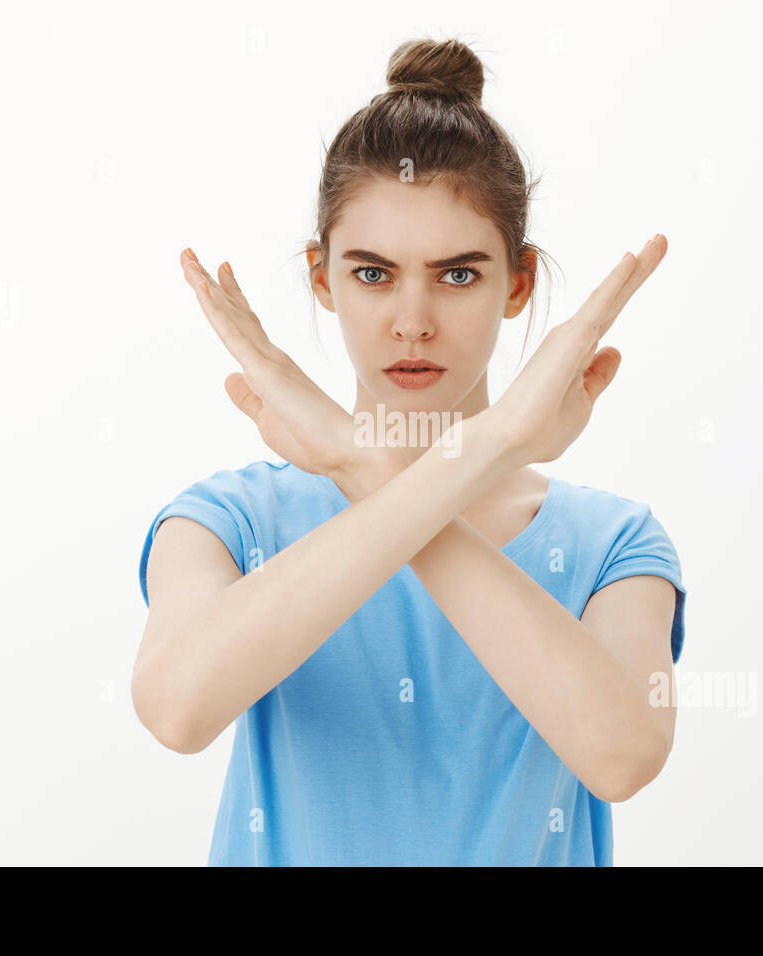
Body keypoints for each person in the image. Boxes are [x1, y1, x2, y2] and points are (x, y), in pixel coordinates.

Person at [132, 36, 686, 866]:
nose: (413, 320)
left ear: (519, 283)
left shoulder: (614, 547)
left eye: (458, 275)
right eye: (373, 274)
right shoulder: (229, 520)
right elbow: (176, 709)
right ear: (322, 278)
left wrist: (375, 467)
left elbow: (621, 755)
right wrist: (449, 456)